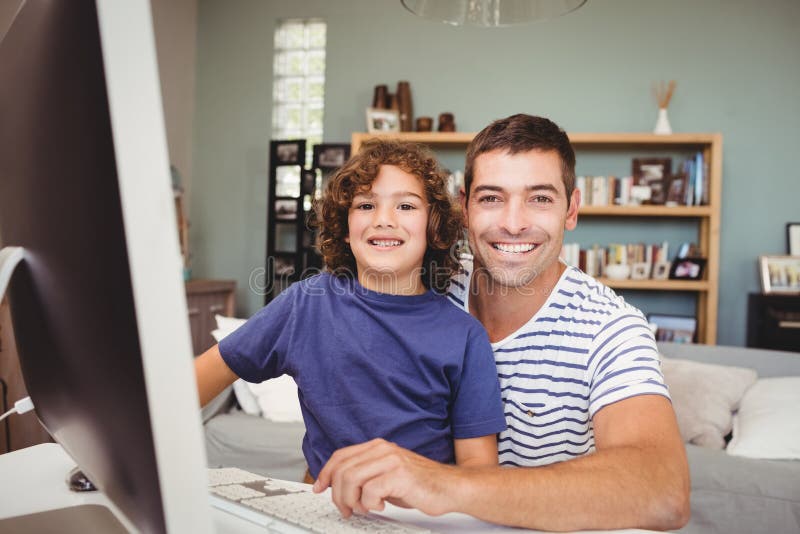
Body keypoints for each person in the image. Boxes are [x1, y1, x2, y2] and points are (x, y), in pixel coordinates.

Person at [313, 115, 691, 531]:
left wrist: (444, 484)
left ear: (571, 210)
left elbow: (663, 492)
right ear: (464, 207)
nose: (513, 224)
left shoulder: (612, 329)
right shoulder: (419, 284)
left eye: (540, 198)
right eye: (491, 198)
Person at [194, 139, 507, 481]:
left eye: (405, 206)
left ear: (433, 227)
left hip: (423, 509)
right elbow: (194, 383)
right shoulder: (305, 304)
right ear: (345, 228)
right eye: (366, 205)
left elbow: (479, 471)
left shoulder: (465, 336)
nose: (384, 220)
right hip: (324, 506)